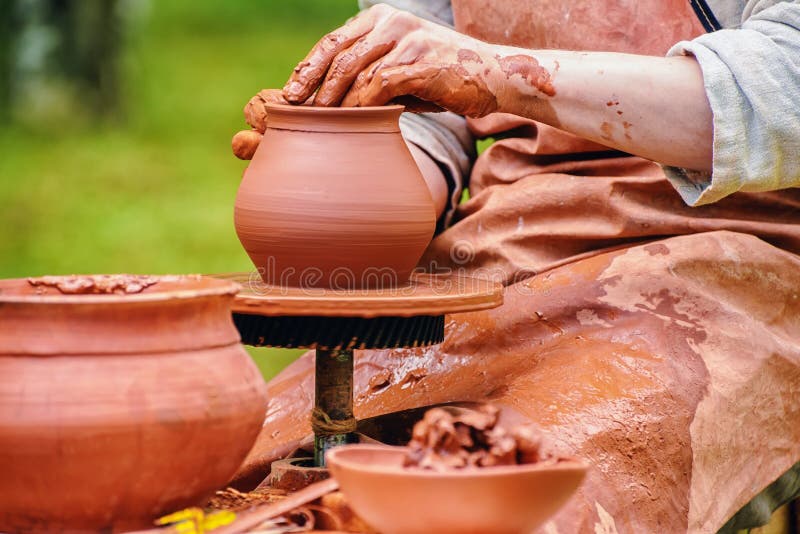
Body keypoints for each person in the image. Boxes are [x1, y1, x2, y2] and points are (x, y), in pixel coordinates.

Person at [231, 1, 800, 532]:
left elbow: (786, 85)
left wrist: (506, 74)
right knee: (232, 479)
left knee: (511, 498)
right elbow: (425, 111)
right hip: (508, 237)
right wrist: (344, 164)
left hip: (739, 243)